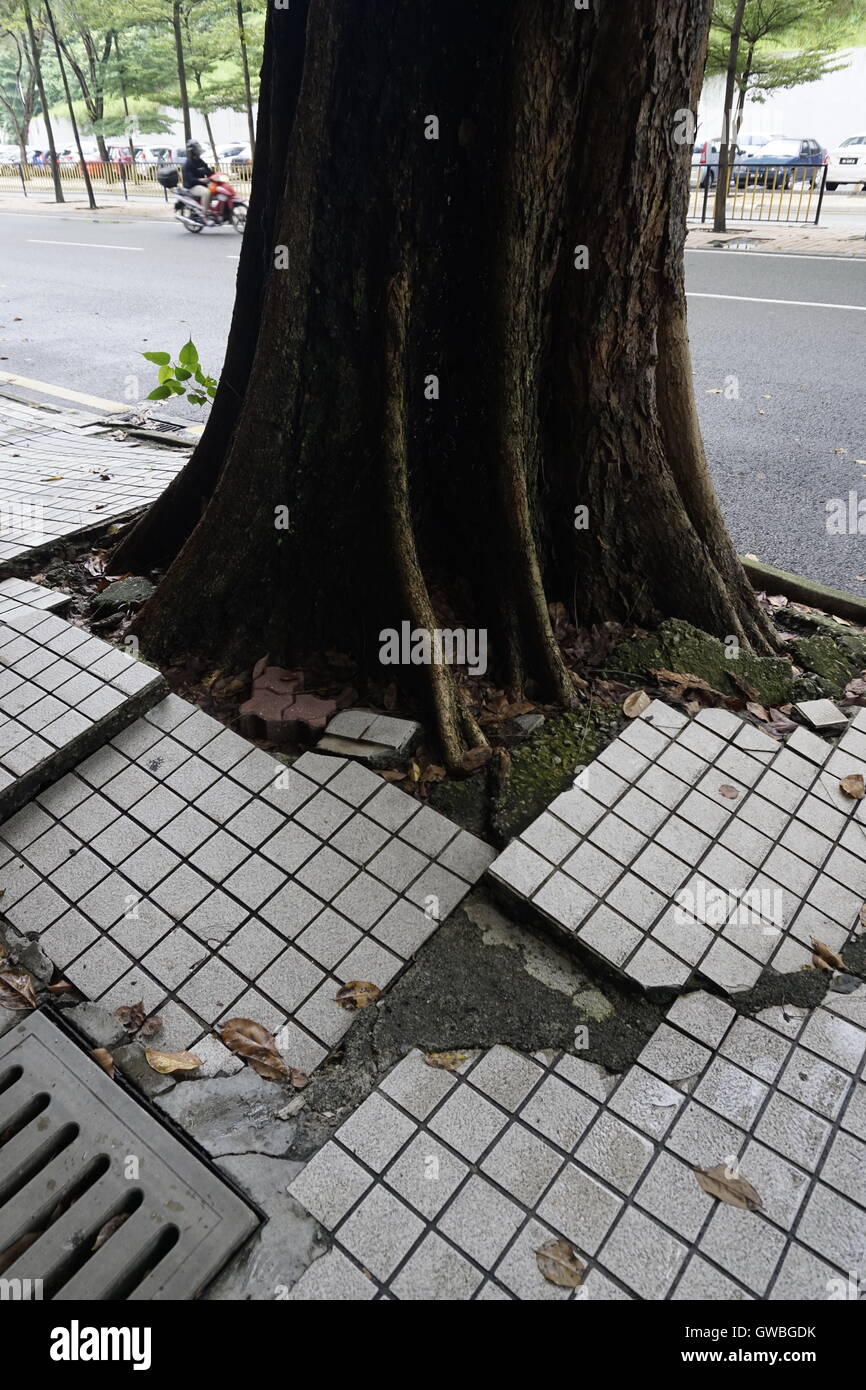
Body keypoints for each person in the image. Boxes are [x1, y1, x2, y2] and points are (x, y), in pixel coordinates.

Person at [182, 139, 214, 218]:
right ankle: (204, 214)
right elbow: (190, 179)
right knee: (206, 192)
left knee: (216, 189)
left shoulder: (200, 162)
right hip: (192, 187)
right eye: (196, 149)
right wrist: (201, 180)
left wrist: (217, 175)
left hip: (202, 185)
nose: (198, 151)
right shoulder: (188, 164)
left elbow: (209, 171)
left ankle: (213, 210)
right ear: (192, 151)